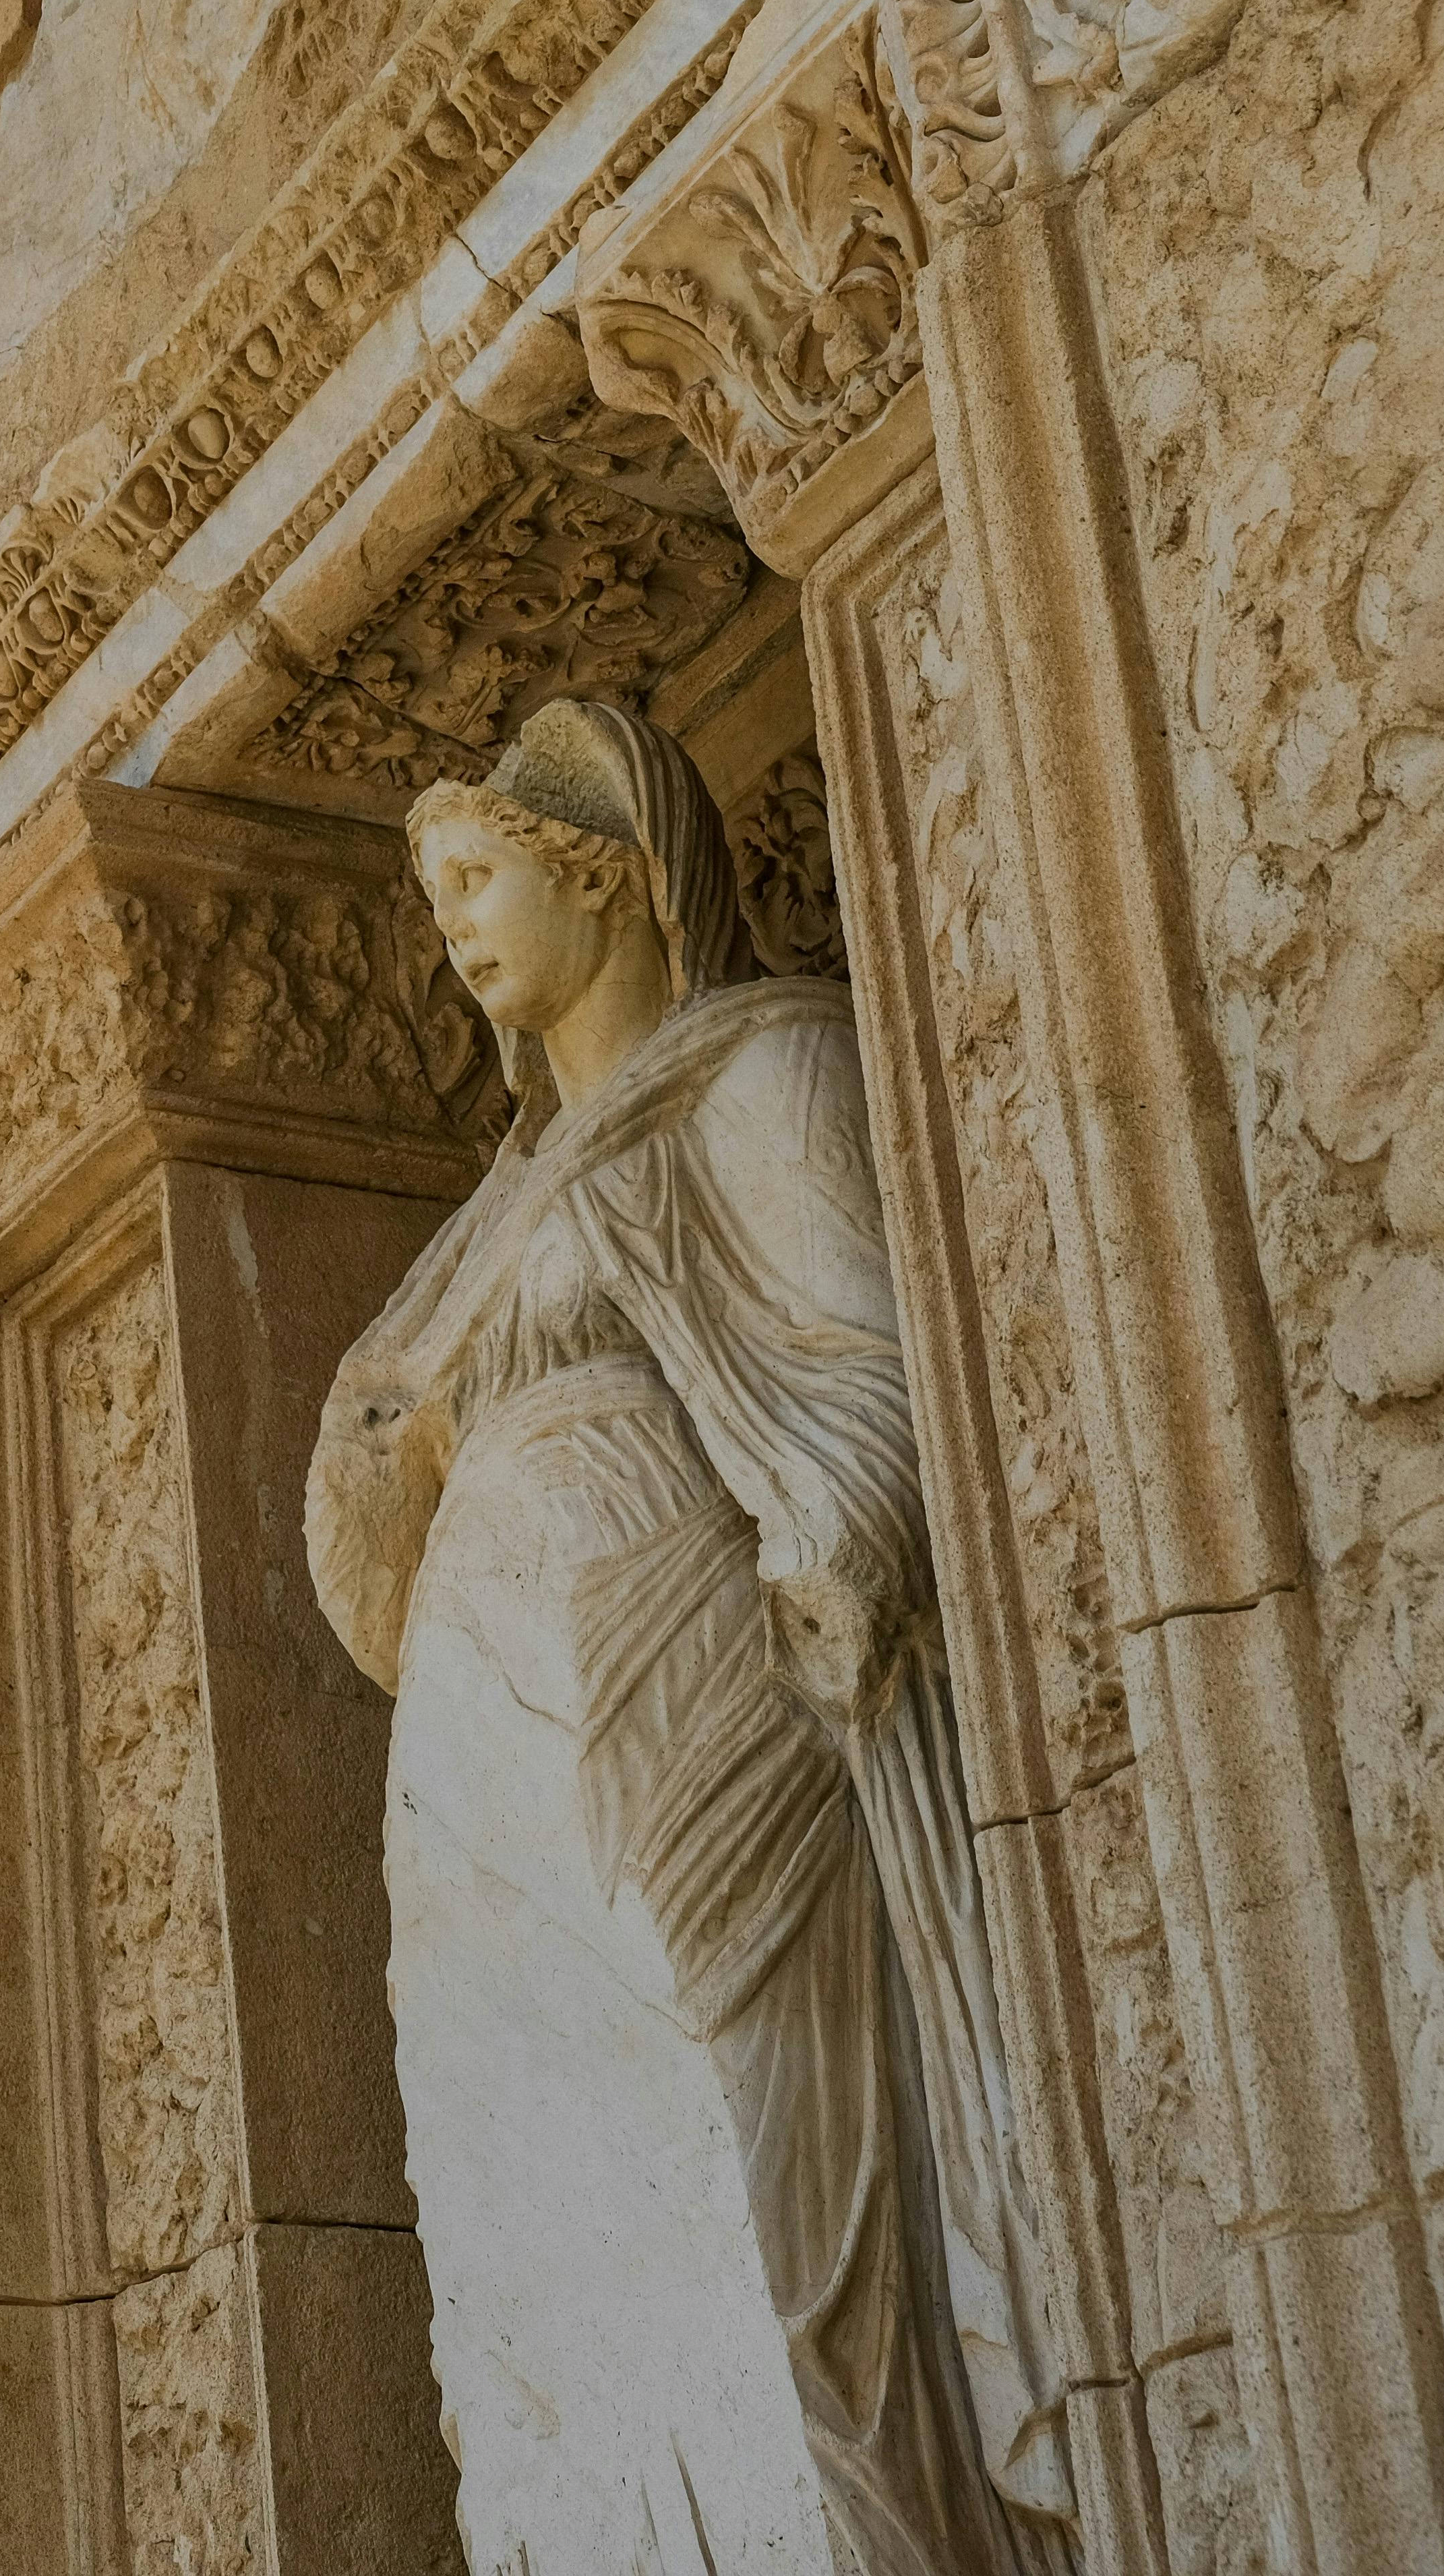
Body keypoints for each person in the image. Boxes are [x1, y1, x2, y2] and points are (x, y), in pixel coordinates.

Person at [307, 697, 1076, 2574]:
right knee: (554, 2224)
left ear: (612, 874)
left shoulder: (766, 1067)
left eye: (482, 878)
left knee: (768, 2179)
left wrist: (832, 1565)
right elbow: (362, 1534)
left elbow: (868, 1376)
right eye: (438, 896)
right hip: (502, 1763)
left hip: (708, 1690)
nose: (461, 931)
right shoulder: (497, 1210)